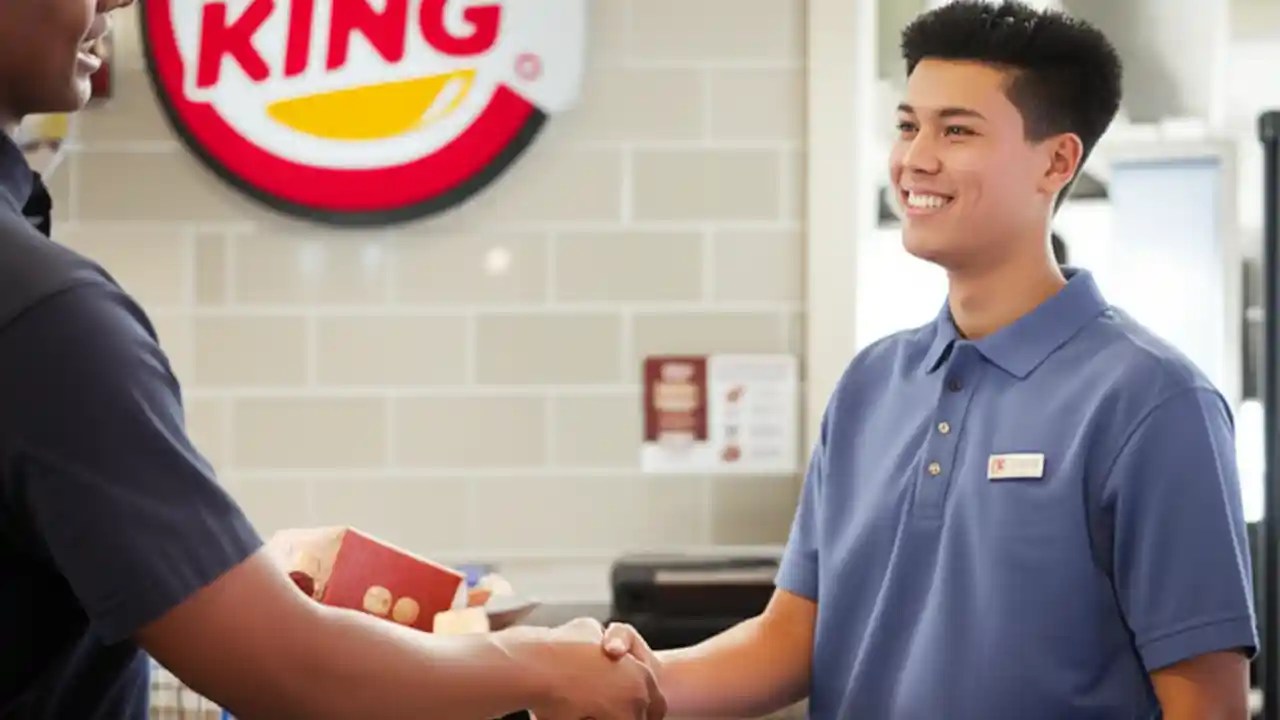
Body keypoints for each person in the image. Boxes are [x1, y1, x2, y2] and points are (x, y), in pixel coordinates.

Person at [0, 1, 666, 719]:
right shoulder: (45, 315)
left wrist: (225, 577)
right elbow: (289, 670)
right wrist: (543, 665)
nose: (114, 1)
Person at [600, 2, 1257, 717]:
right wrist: (626, 680)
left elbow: (1207, 706)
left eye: (958, 131)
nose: (916, 157)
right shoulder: (871, 386)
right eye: (909, 125)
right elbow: (788, 641)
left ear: (1057, 160)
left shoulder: (1153, 401)